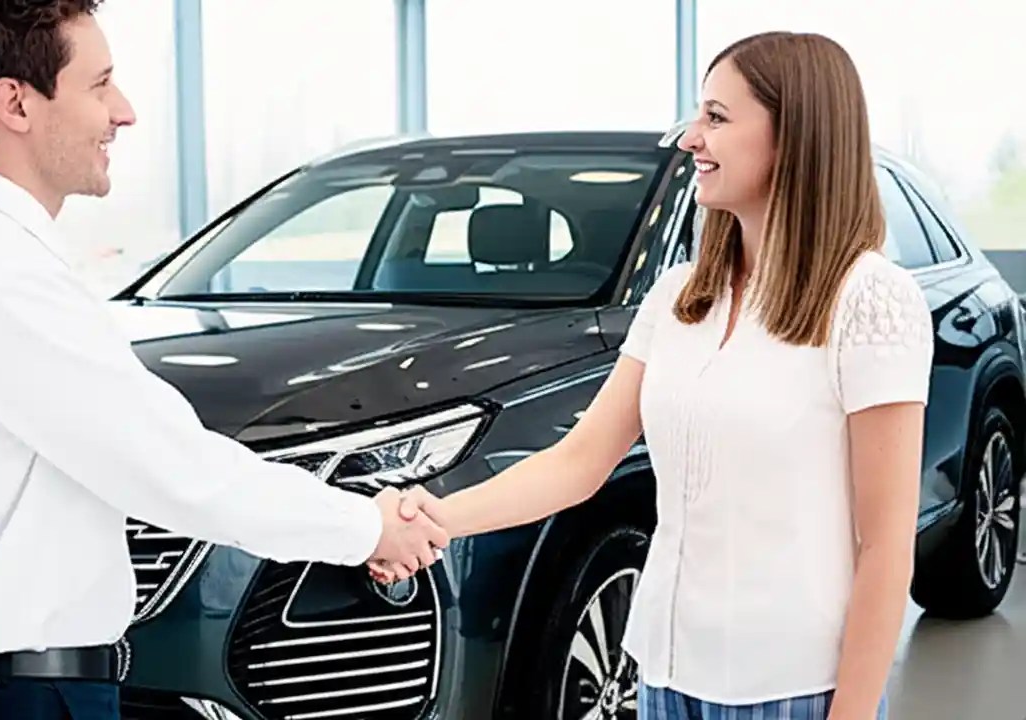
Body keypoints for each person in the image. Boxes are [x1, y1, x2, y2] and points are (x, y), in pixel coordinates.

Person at [0, 2, 446, 719]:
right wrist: (370, 527)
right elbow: (176, 470)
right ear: (15, 103)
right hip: (8, 699)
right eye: (99, 85)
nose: (122, 113)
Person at [374, 31, 932, 720]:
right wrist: (434, 518)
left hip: (792, 686)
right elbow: (577, 462)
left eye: (717, 118)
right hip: (667, 674)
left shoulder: (870, 299)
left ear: (795, 136)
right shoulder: (677, 297)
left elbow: (884, 545)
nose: (689, 138)